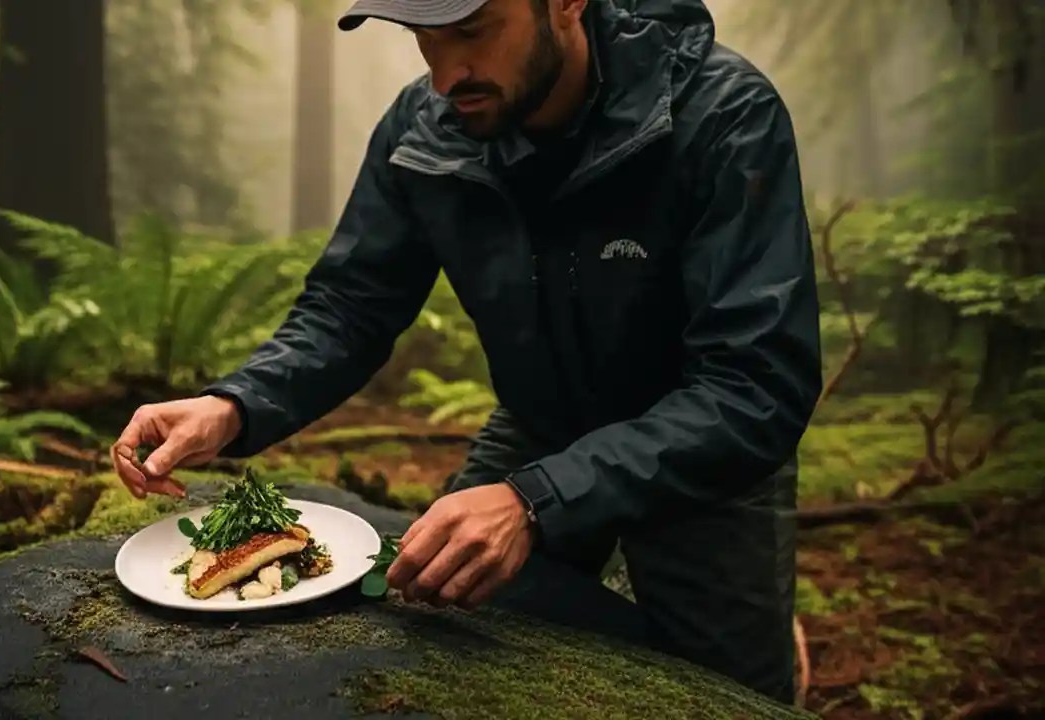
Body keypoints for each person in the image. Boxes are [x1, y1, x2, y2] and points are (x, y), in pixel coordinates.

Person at [111, 0, 822, 704]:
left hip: (701, 448)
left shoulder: (722, 114)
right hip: (539, 423)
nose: (448, 74)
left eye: (473, 31)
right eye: (425, 37)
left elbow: (756, 384)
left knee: (728, 699)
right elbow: (350, 306)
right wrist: (232, 405)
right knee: (444, 630)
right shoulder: (425, 128)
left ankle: (763, 638)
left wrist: (533, 501)